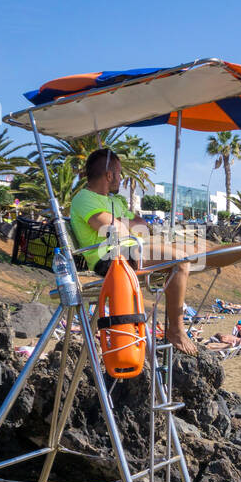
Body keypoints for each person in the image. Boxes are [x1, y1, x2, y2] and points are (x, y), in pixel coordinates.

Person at [69, 148, 197, 354]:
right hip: (109, 258)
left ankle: (172, 330)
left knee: (184, 253)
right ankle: (176, 330)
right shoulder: (84, 198)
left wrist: (123, 223)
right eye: (119, 174)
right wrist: (125, 224)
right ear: (109, 175)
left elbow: (142, 227)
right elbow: (111, 228)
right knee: (180, 260)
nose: (121, 179)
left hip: (128, 250)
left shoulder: (115, 201)